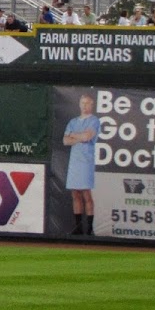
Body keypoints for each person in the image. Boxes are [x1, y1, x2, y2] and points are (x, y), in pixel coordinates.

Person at [63, 94, 101, 236]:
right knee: (75, 194)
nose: (85, 106)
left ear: (91, 105)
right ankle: (78, 227)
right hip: (74, 162)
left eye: (87, 103)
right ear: (79, 104)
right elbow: (66, 141)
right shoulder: (73, 121)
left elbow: (87, 137)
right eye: (83, 103)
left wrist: (73, 135)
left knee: (86, 194)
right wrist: (79, 136)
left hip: (86, 162)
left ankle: (89, 228)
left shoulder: (94, 121)